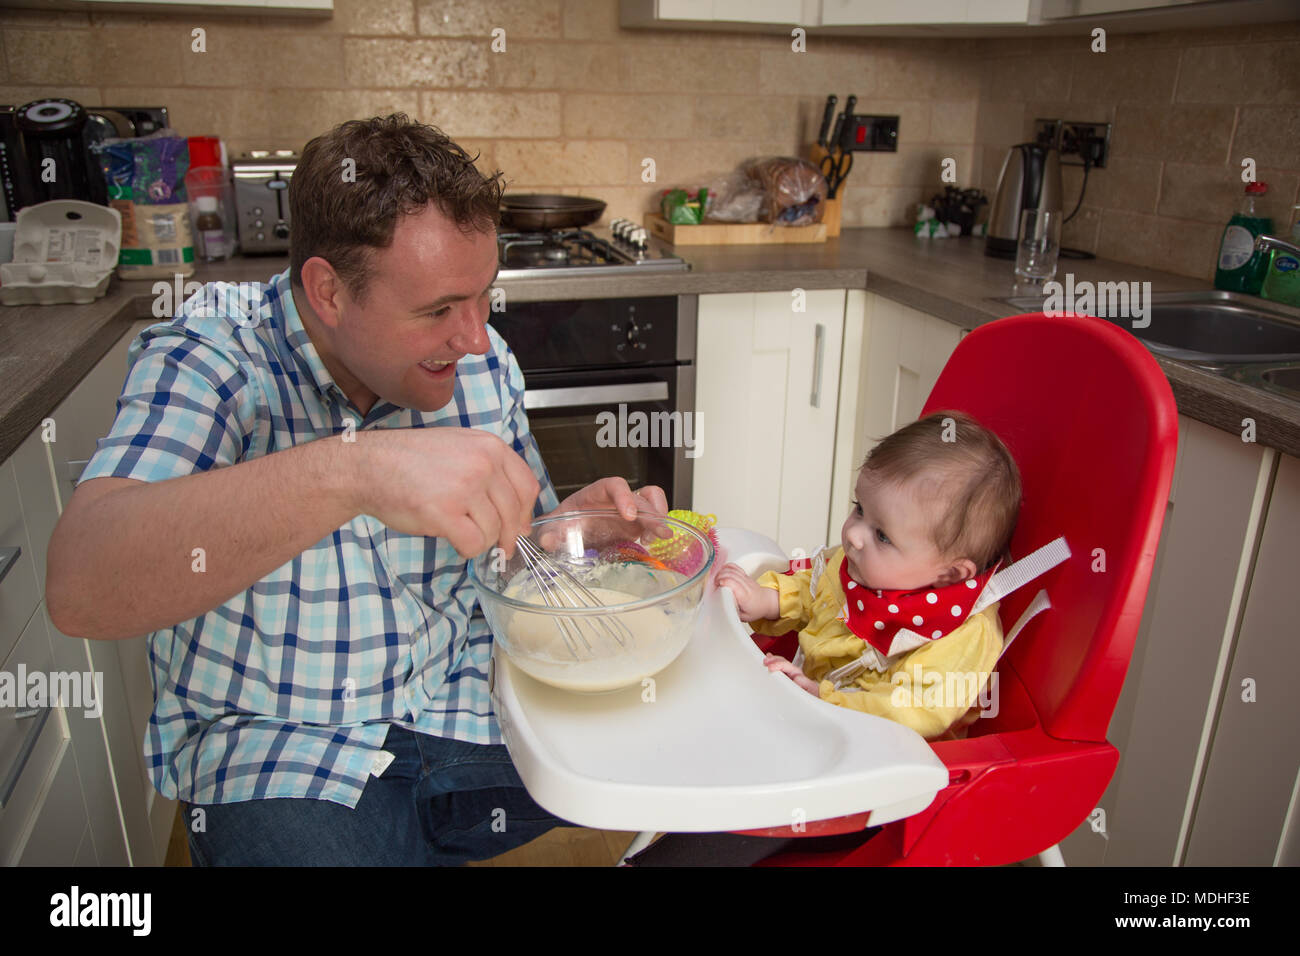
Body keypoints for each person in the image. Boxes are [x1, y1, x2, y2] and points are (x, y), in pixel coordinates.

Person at [45, 114, 667, 866]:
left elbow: (514, 550)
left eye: (482, 297)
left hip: (465, 709)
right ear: (328, 292)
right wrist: (354, 469)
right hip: (282, 749)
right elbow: (82, 582)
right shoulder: (210, 356)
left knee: (699, 749)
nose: (475, 338)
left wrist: (571, 529)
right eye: (439, 309)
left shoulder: (481, 359)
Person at [626, 410, 1022, 866]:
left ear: (950, 573)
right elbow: (816, 589)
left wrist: (826, 695)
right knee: (715, 747)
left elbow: (914, 711)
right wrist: (766, 599)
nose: (852, 534)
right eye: (859, 508)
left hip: (878, 780)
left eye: (881, 534)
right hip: (812, 725)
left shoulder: (957, 633)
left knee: (751, 806)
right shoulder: (863, 567)